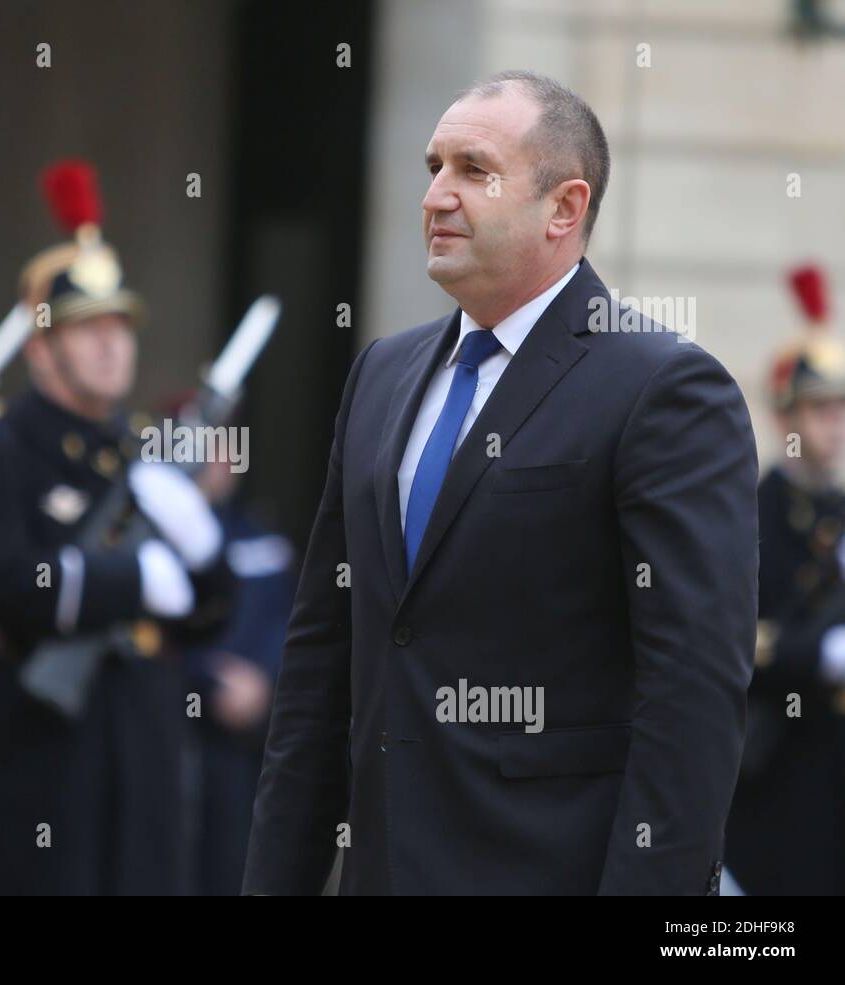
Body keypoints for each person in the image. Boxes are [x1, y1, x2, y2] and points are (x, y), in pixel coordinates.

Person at [243, 70, 759, 896]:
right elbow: (321, 663)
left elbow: (691, 696)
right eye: (433, 167)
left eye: (474, 171)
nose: (437, 196)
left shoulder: (664, 387)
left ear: (565, 207)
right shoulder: (381, 372)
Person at [0, 160, 227, 895]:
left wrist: (201, 552)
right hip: (44, 737)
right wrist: (135, 579)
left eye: (119, 328)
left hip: (144, 729)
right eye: (86, 329)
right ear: (40, 348)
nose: (111, 345)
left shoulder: (142, 449)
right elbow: (11, 586)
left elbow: (211, 611)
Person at [725, 264, 845, 895]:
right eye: (820, 408)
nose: (835, 423)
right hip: (772, 769)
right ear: (785, 417)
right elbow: (732, 639)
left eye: (842, 408)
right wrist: (819, 655)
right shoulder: (755, 513)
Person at [181, 449, 295, 896]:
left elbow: (292, 618)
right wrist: (209, 682)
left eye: (227, 450)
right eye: (205, 451)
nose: (221, 462)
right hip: (185, 728)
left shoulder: (261, 538)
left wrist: (261, 680)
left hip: (250, 734)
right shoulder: (163, 539)